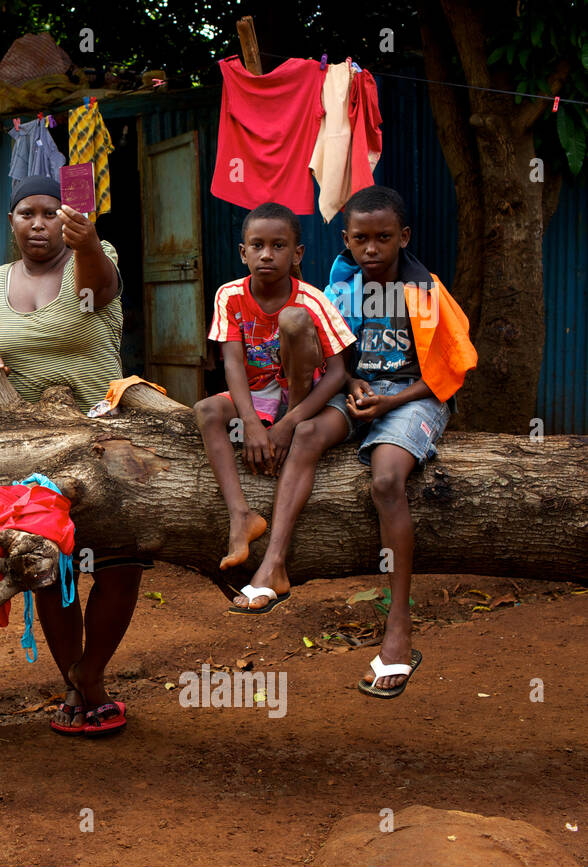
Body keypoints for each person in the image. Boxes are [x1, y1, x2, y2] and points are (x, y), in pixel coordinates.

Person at [235, 186, 476, 700]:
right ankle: (273, 565)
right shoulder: (340, 289)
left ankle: (398, 629)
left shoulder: (425, 290)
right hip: (362, 392)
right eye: (360, 238)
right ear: (345, 238)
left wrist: (391, 403)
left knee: (387, 479)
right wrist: (350, 386)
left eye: (383, 238)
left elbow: (449, 370)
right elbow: (336, 361)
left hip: (414, 397)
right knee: (305, 432)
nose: (371, 249)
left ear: (402, 237)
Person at [0, 174, 135, 738]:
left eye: (50, 213)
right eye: (27, 213)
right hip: (32, 452)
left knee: (122, 564)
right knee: (48, 565)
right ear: (11, 222)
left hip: (105, 439)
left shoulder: (96, 256)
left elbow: (97, 292)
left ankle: (93, 674)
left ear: (68, 218)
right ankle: (73, 684)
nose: (39, 223)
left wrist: (85, 243)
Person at [196, 202, 355, 578]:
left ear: (297, 253)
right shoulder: (229, 295)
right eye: (257, 245)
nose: (267, 254)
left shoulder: (312, 299)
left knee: (293, 319)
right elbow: (232, 362)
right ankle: (241, 516)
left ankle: (288, 424)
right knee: (205, 411)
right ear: (243, 252)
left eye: (279, 246)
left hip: (308, 390)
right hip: (260, 392)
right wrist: (251, 424)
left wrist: (288, 424)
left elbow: (336, 373)